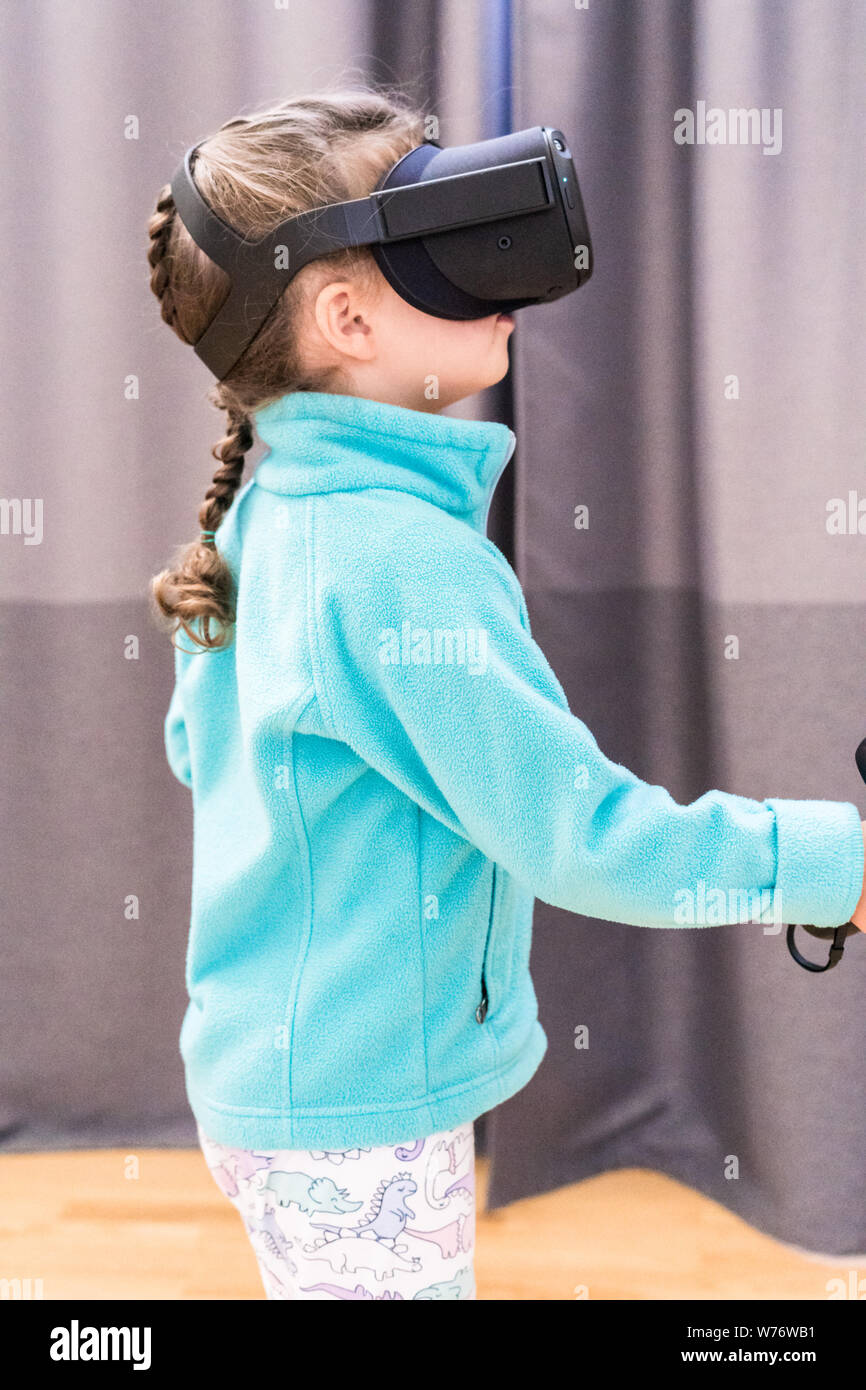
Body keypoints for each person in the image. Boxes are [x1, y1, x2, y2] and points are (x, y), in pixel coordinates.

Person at [146, 88, 866, 1301]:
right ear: (347, 317)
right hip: (352, 1115)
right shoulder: (393, 558)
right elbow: (579, 840)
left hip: (278, 1083)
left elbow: (196, 750)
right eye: (435, 229)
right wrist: (826, 864)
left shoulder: (275, 517)